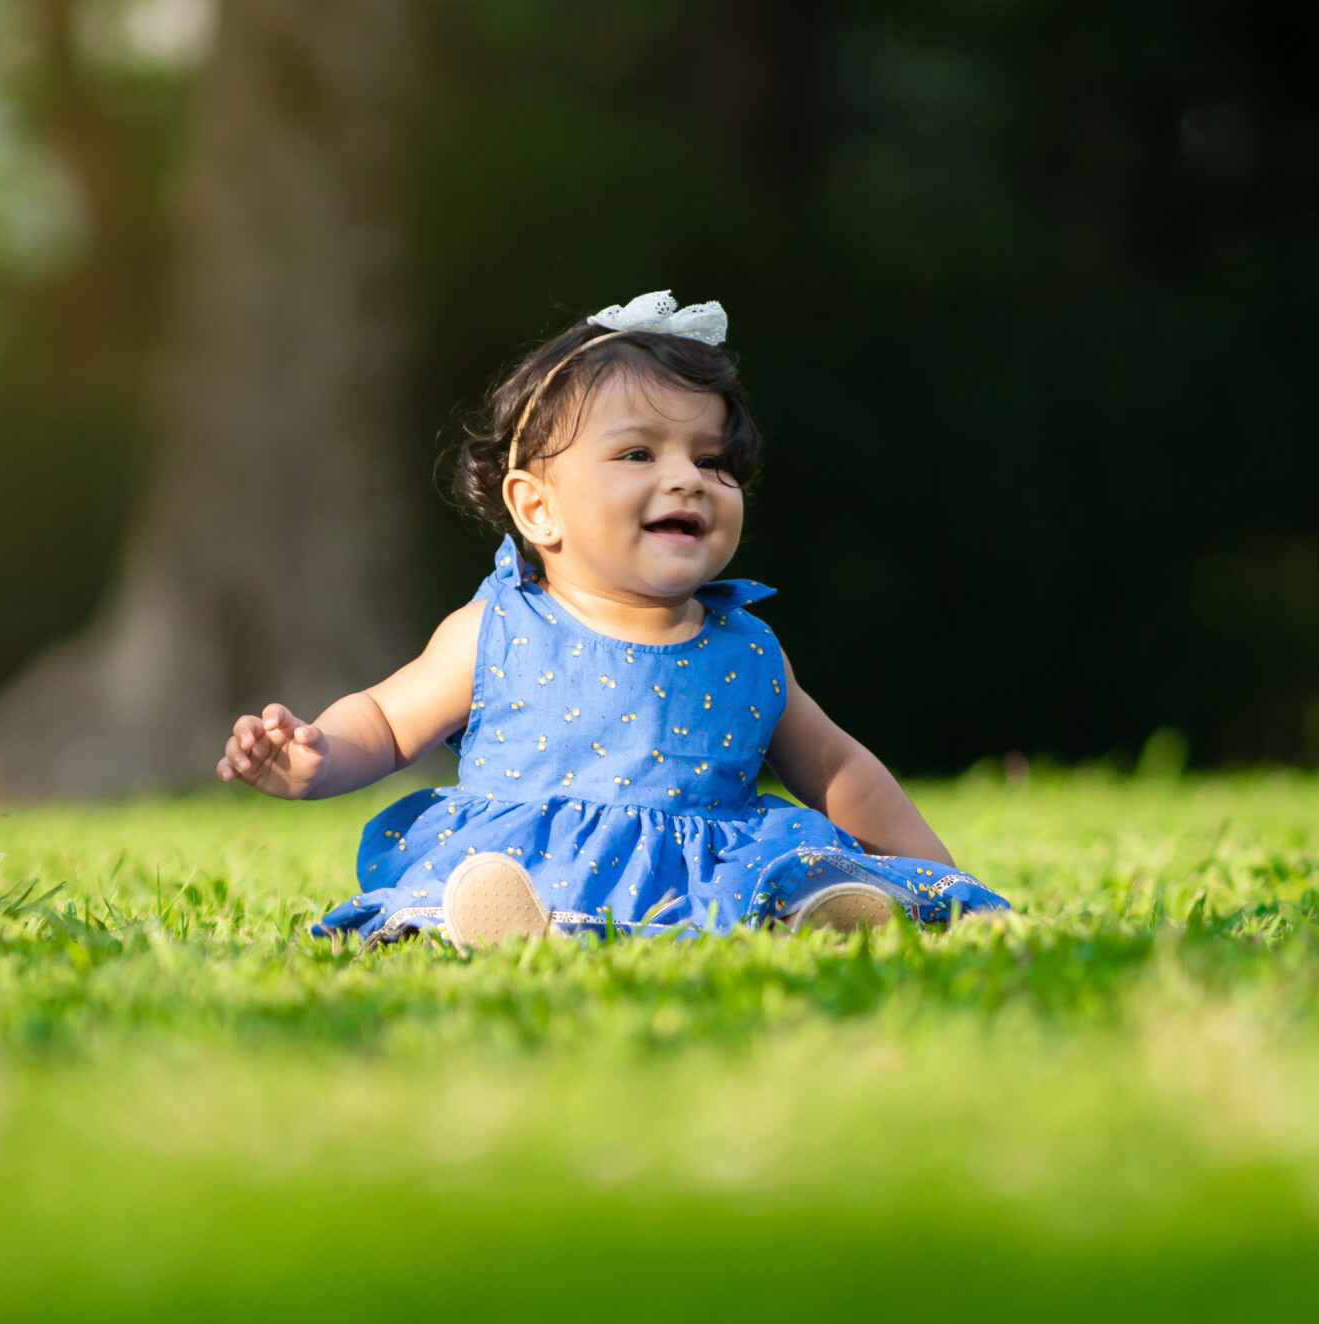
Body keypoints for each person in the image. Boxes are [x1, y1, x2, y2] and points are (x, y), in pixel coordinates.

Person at [217, 290, 1011, 948]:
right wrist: (318, 756)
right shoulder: (499, 628)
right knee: (488, 883)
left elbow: (837, 771)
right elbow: (389, 721)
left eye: (711, 461)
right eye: (639, 455)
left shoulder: (748, 649)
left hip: (704, 870)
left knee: (784, 877)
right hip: (525, 859)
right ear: (537, 507)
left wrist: (941, 874)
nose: (688, 480)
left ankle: (817, 913)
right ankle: (506, 924)